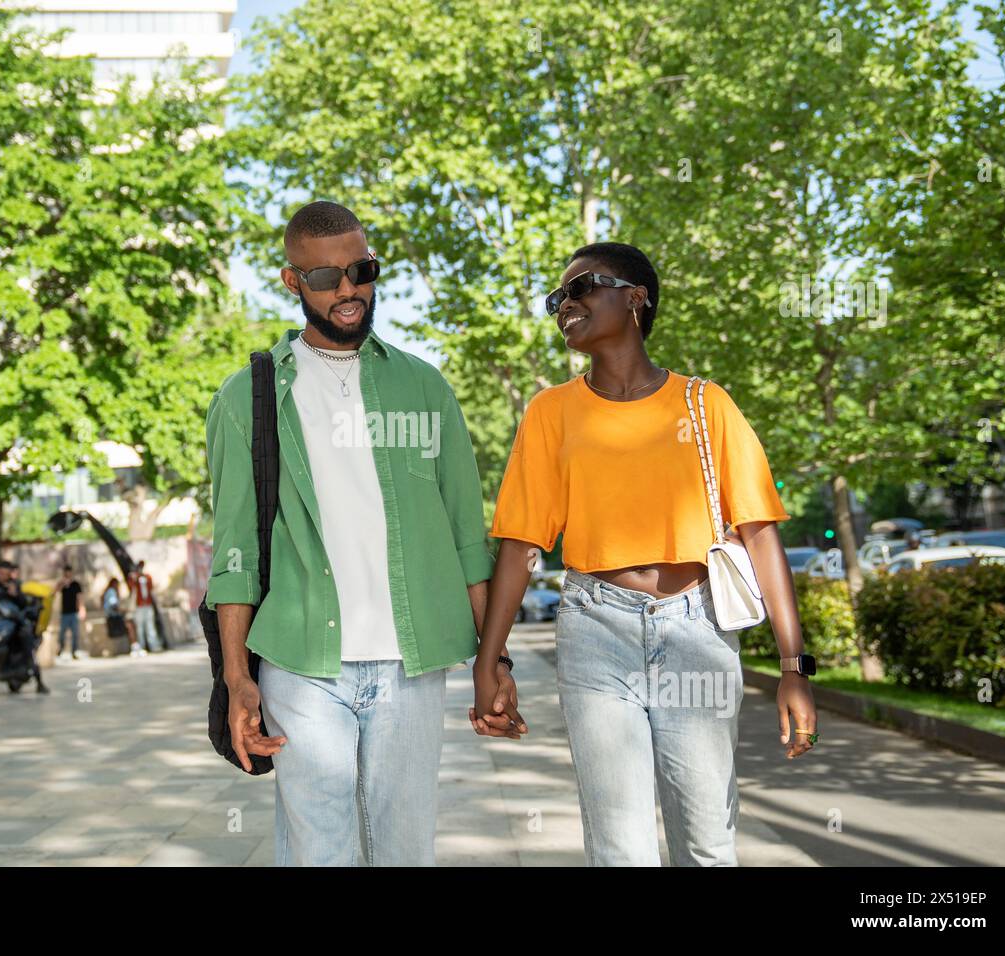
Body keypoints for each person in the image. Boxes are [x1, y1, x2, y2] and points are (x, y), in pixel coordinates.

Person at [474, 241, 817, 866]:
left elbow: (761, 534)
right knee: (619, 848)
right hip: (594, 630)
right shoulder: (550, 412)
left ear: (636, 299)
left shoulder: (706, 404)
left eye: (581, 288)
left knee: (708, 842)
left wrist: (796, 667)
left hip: (698, 628)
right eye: (557, 298)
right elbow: (521, 545)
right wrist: (490, 658)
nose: (564, 305)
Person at [204, 201, 495, 866]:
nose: (348, 291)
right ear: (291, 281)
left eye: (361, 271)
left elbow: (466, 537)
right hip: (302, 664)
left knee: (405, 852)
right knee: (319, 853)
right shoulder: (246, 398)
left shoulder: (425, 388)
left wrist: (493, 659)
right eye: (325, 277)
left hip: (411, 668)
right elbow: (235, 555)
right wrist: (237, 677)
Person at [0, 559, 48, 694]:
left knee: (27, 643)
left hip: (16, 623)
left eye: (6, 574)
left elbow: (26, 603)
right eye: (1, 574)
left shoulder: (15, 584)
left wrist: (16, 595)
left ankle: (39, 681)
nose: (3, 577)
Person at [127, 560, 162, 654]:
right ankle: (141, 647)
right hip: (138, 606)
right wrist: (134, 577)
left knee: (150, 626)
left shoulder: (147, 577)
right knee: (140, 627)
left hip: (148, 605)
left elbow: (151, 589)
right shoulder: (134, 577)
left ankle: (154, 646)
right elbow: (131, 587)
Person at [52, 565, 85, 660]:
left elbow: (80, 597)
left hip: (74, 612)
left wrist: (82, 609)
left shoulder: (76, 584)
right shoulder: (61, 584)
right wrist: (62, 584)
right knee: (62, 633)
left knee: (75, 633)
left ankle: (74, 652)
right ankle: (60, 649)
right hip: (64, 613)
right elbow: (54, 593)